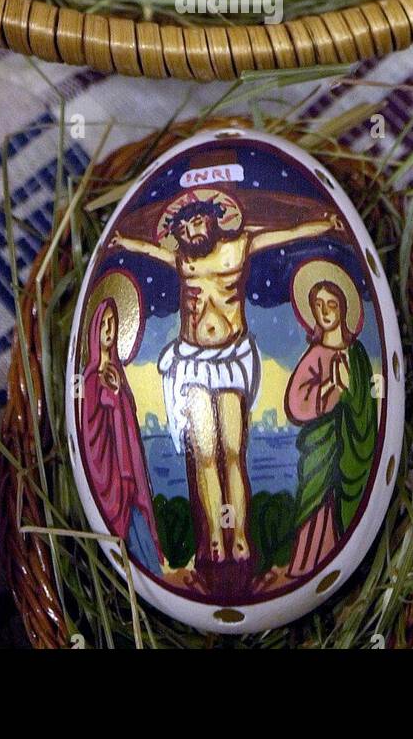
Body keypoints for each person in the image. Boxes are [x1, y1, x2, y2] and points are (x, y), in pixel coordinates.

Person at [109, 192, 344, 570]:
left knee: (233, 453)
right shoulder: (183, 259)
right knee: (203, 454)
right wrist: (123, 242)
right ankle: (216, 540)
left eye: (196, 221)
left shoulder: (239, 246)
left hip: (231, 357)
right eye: (183, 228)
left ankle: (239, 539)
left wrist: (324, 225)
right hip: (192, 361)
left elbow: (286, 233)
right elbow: (154, 253)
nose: (190, 231)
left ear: (213, 219)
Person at [286, 276, 378, 577]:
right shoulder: (314, 356)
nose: (325, 312)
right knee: (315, 499)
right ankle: (306, 565)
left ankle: (337, 556)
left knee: (343, 499)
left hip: (355, 444)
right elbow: (296, 404)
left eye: (332, 305)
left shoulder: (358, 354)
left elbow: (370, 400)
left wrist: (349, 392)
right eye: (318, 305)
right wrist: (330, 388)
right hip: (321, 446)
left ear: (344, 308)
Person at [79, 298, 163, 575]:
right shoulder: (90, 377)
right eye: (103, 324)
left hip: (129, 471)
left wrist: (118, 397)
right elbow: (89, 429)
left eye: (113, 324)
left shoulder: (118, 372)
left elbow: (129, 419)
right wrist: (111, 399)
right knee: (124, 528)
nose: (108, 330)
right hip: (109, 471)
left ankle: (151, 571)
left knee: (139, 527)